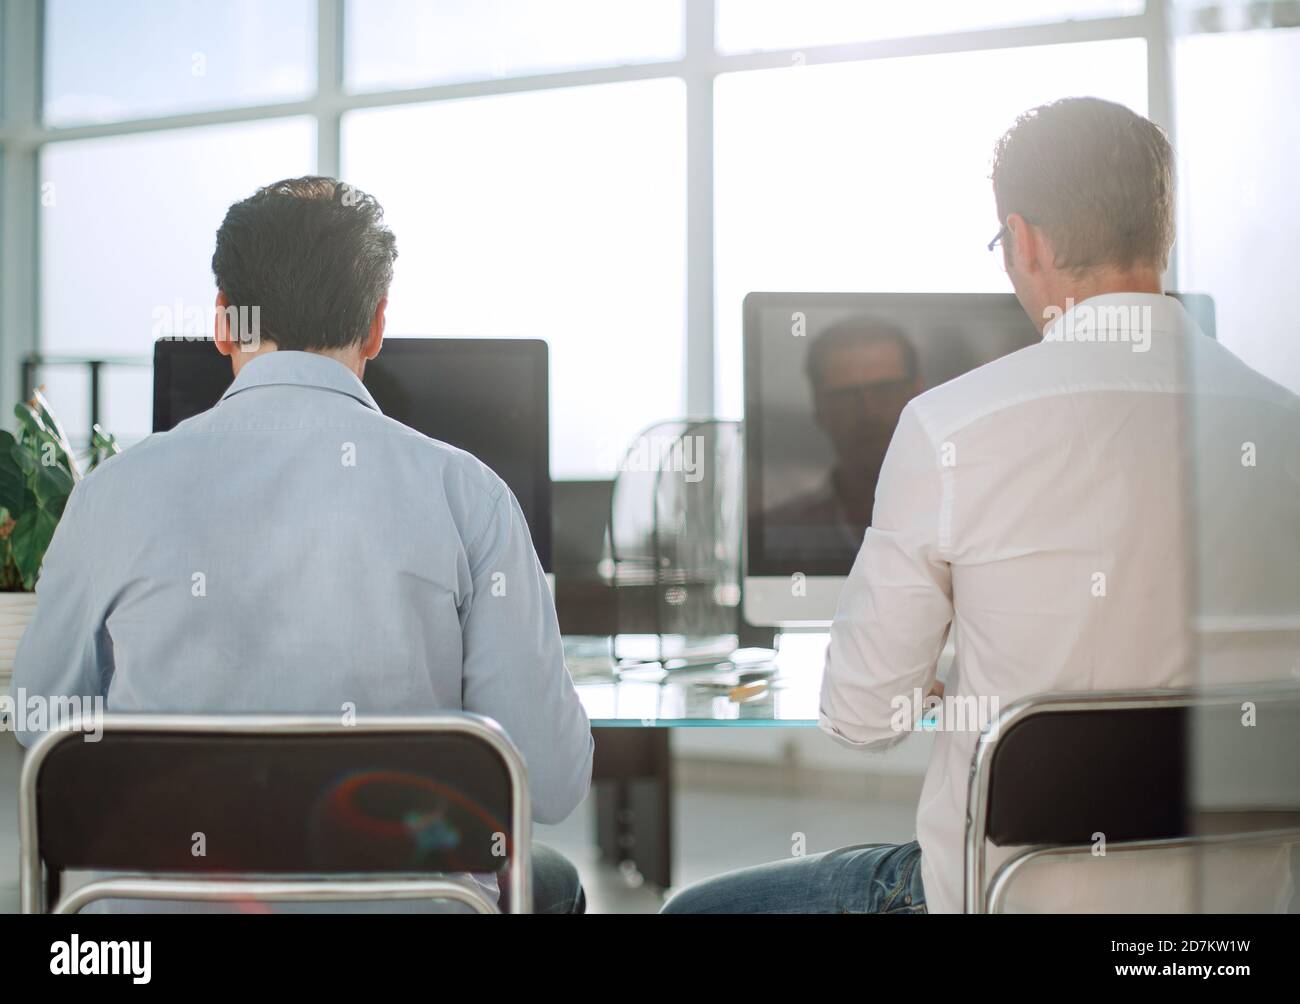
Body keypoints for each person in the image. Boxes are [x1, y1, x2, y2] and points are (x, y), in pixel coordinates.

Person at [663, 97, 1300, 914]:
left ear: (1025, 241)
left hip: (1004, 898)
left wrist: (954, 675)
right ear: (1163, 233)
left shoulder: (951, 426)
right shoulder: (1284, 428)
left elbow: (860, 716)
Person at [13, 176, 593, 913]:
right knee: (554, 884)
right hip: (414, 908)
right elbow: (549, 780)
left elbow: (42, 728)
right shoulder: (469, 498)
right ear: (377, 325)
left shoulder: (111, 495)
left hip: (149, 929)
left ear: (224, 321)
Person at [764, 319, 922, 561]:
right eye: (846, 397)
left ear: (918, 394)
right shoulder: (775, 534)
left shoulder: (966, 518)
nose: (869, 412)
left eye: (885, 390)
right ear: (819, 408)